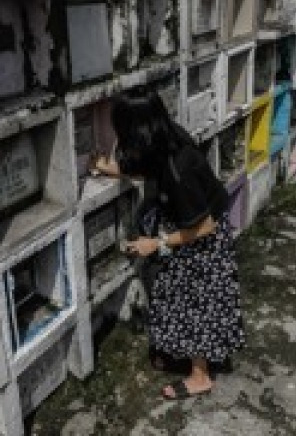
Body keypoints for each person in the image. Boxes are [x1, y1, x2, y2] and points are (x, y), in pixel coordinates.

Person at [93, 88, 245, 400]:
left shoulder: (180, 169)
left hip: (204, 240)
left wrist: (156, 243)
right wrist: (110, 168)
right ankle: (179, 353)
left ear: (136, 131)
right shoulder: (164, 136)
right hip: (186, 229)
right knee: (171, 295)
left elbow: (205, 226)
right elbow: (146, 165)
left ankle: (201, 376)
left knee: (196, 306)